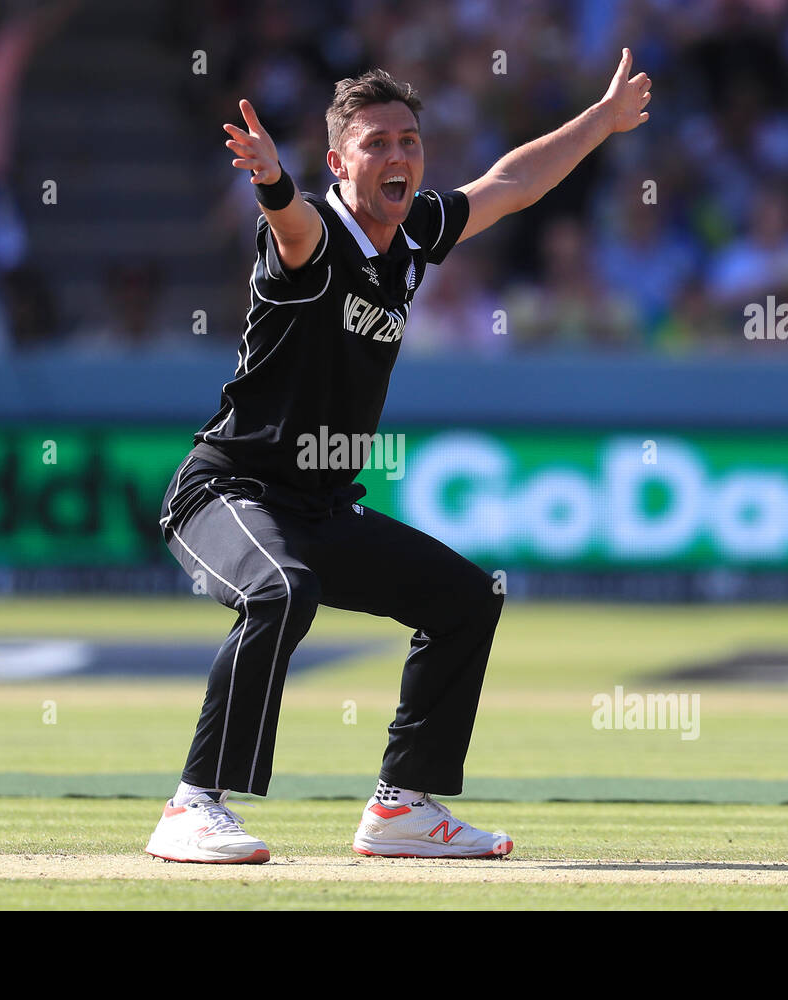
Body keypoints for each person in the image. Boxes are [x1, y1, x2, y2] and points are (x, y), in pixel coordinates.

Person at [146, 53, 652, 864]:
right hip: (225, 492)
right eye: (375, 143)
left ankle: (401, 808)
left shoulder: (416, 230)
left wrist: (602, 119)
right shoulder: (314, 234)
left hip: (318, 509)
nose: (398, 157)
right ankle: (192, 804)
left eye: (409, 141)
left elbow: (515, 183)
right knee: (283, 591)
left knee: (465, 598)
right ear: (339, 162)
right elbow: (294, 225)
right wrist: (274, 182)